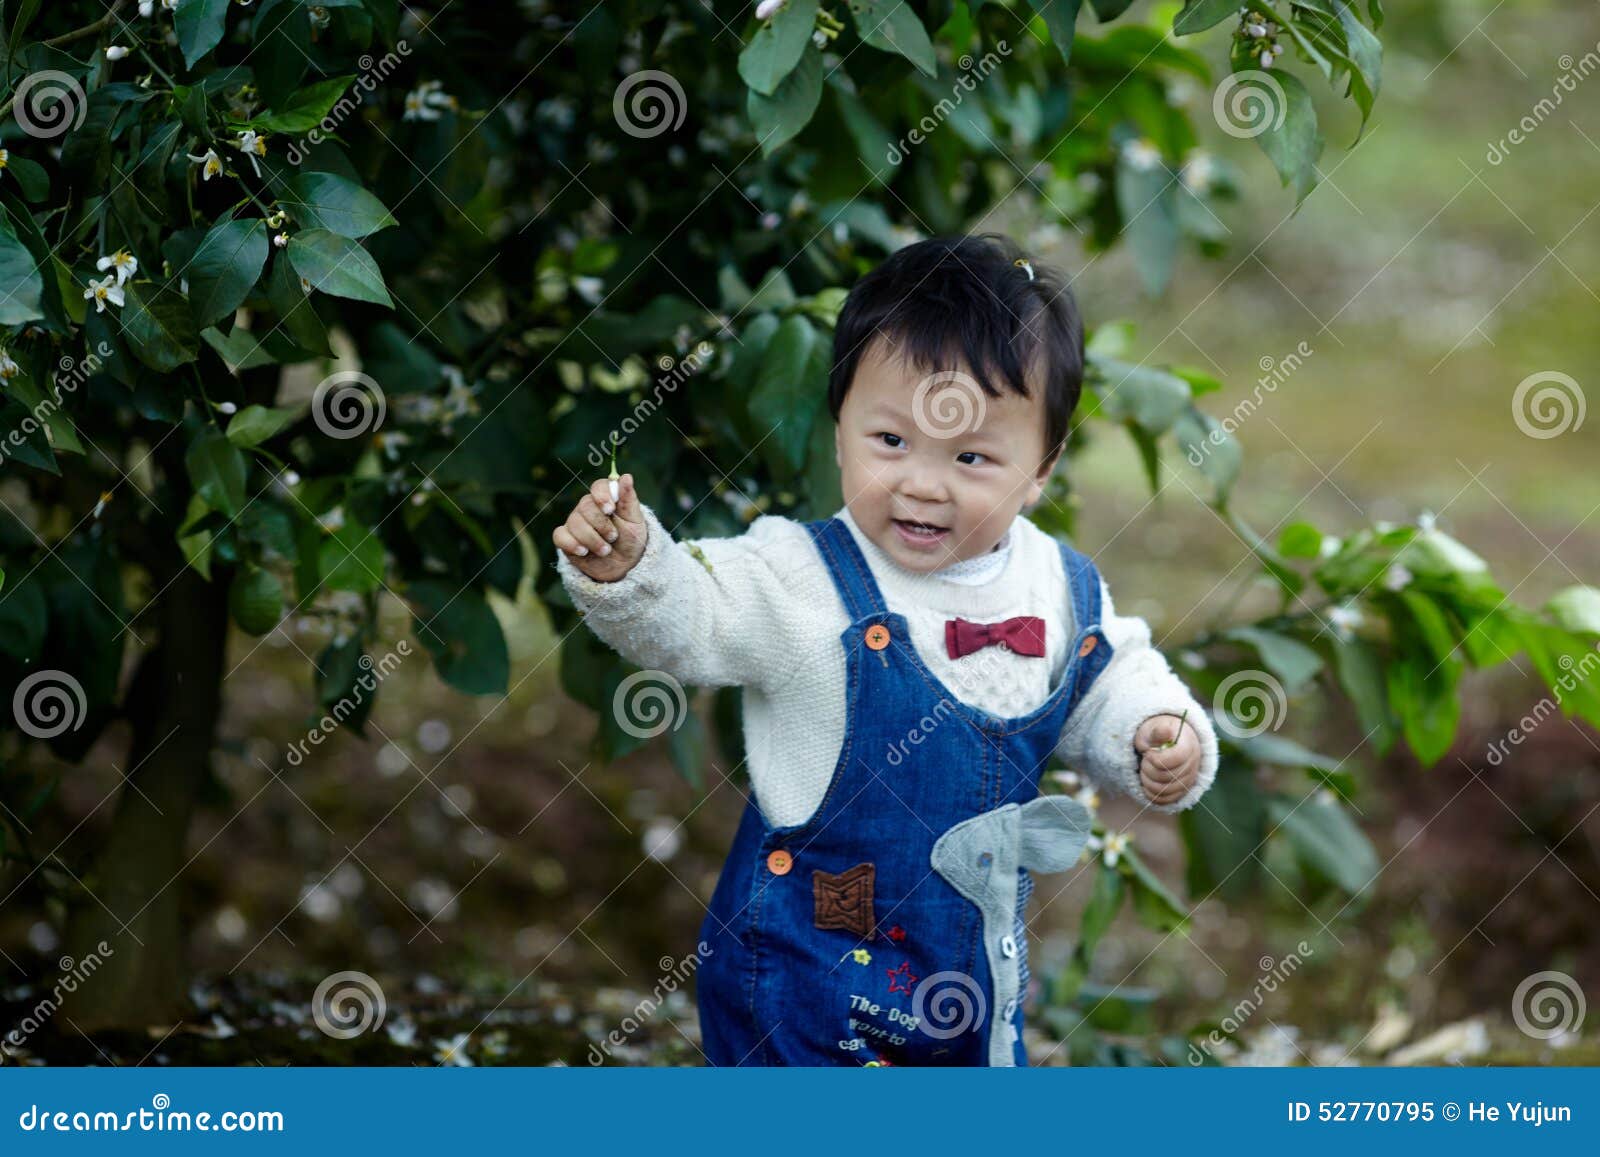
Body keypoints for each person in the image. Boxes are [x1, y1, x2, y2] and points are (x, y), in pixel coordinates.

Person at [551, 233, 1217, 1066]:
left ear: (1041, 468)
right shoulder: (802, 573)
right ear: (839, 430)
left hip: (970, 988)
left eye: (972, 457)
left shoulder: (1057, 584)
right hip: (800, 991)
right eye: (890, 442)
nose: (923, 484)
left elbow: (1111, 677)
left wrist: (1158, 730)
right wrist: (634, 571)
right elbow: (699, 615)